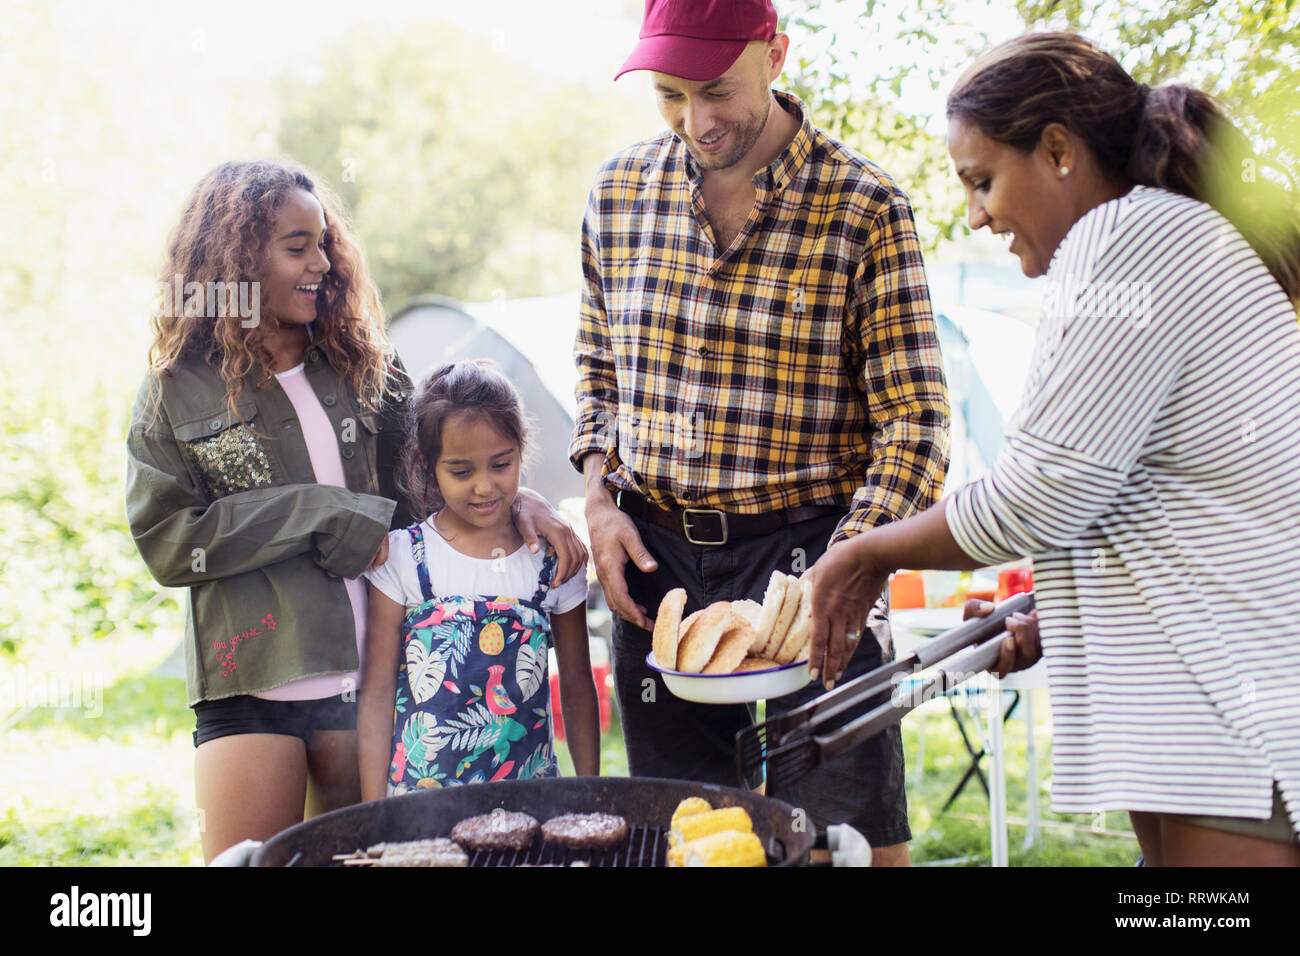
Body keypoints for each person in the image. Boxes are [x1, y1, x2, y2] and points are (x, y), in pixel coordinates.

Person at [806, 33, 1300, 865]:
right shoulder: (1163, 235)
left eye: (983, 180)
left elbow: (1038, 491)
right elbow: (1157, 499)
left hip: (1229, 714)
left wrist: (867, 554)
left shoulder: (1124, 241)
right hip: (1209, 711)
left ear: (1060, 150)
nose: (975, 214)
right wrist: (1058, 611)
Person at [571, 0, 950, 866]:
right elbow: (597, 373)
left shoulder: (866, 207)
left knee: (844, 844)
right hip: (655, 559)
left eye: (716, 91)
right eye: (671, 94)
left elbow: (916, 423)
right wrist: (598, 500)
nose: (696, 121)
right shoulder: (616, 192)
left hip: (816, 555)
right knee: (688, 838)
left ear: (775, 54)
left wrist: (851, 562)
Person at [126, 161, 588, 862]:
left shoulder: (364, 362)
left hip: (376, 683)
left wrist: (518, 499)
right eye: (296, 246)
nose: (320, 262)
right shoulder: (172, 392)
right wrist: (317, 511)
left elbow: (443, 474)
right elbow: (168, 541)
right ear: (236, 254)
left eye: (323, 243)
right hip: (252, 678)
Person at [359, 361, 598, 797]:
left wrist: (589, 792)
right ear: (427, 463)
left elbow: (579, 685)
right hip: (418, 807)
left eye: (500, 464)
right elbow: (375, 695)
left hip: (532, 800)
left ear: (521, 451)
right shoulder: (403, 559)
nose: (485, 487)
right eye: (462, 471)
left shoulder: (554, 562)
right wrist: (375, 811)